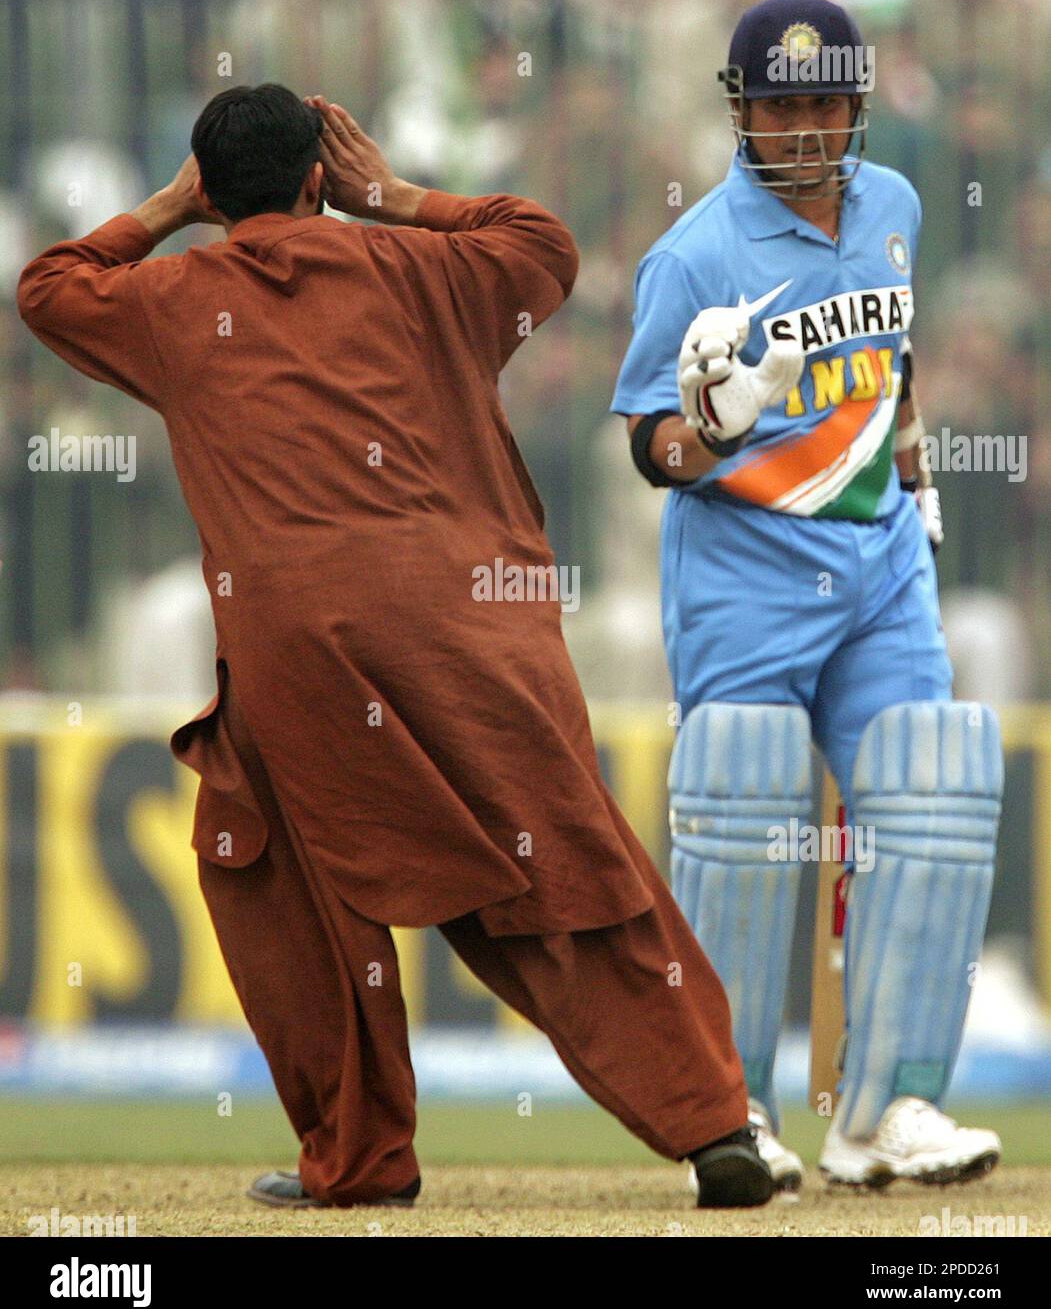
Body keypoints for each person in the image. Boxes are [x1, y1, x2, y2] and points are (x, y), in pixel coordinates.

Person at [18, 83, 770, 1209]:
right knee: (565, 867)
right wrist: (397, 199)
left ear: (213, 192)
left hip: (300, 645)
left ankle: (361, 1157)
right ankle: (713, 1122)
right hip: (477, 624)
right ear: (323, 180)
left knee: (297, 885)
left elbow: (48, 288)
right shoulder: (432, 272)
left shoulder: (176, 299)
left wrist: (172, 208)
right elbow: (543, 243)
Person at [613, 0, 1003, 1188]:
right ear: (740, 111)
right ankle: (726, 1114)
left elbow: (892, 360)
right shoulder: (693, 257)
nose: (805, 127)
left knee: (935, 776)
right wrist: (704, 429)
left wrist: (919, 482)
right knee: (740, 783)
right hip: (746, 577)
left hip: (879, 567)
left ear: (857, 105)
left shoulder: (894, 207)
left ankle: (890, 1109)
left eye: (825, 102)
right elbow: (644, 443)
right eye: (780, 105)